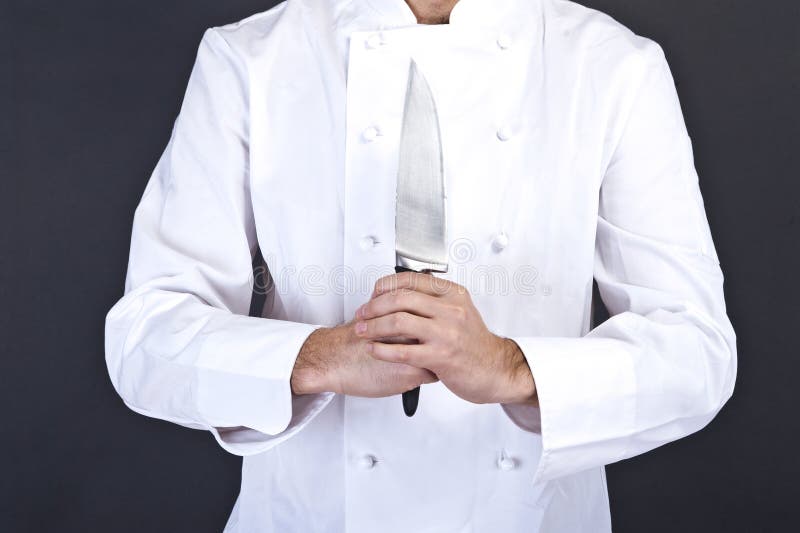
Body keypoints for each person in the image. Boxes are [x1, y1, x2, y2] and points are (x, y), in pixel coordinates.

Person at [104, 0, 737, 531]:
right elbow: (145, 337)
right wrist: (322, 357)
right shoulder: (251, 58)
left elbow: (695, 350)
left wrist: (509, 369)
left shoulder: (611, 66)